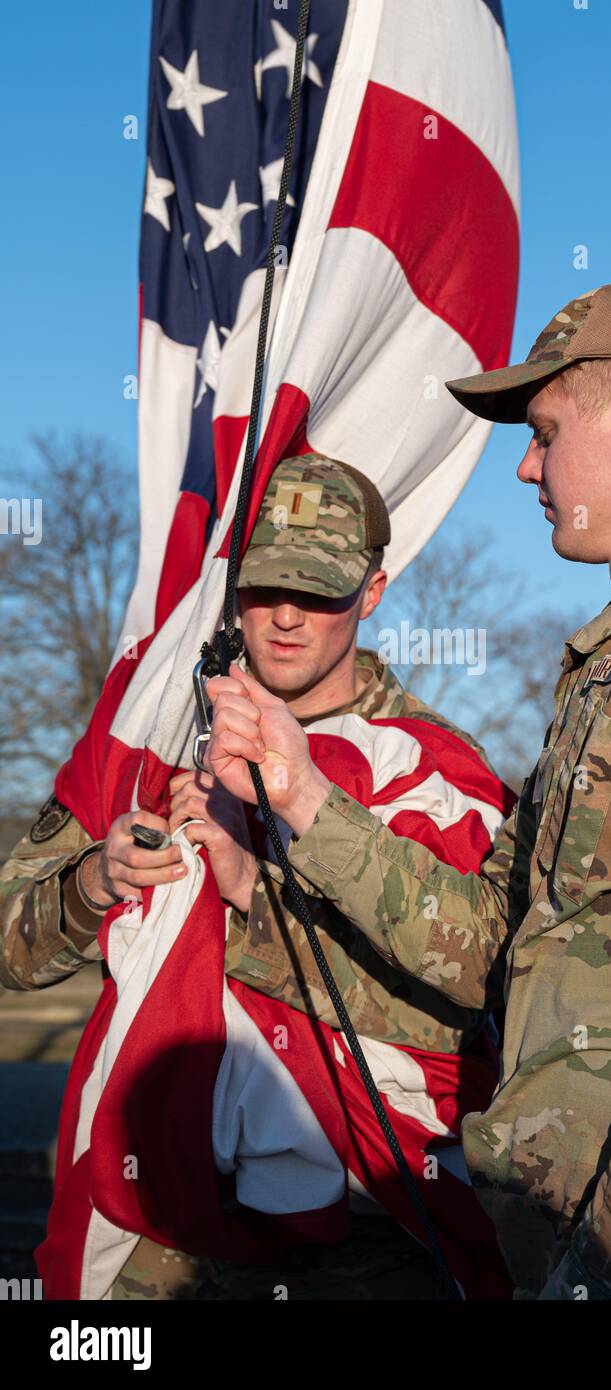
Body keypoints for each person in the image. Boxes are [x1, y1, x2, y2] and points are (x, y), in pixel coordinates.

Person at [204, 282, 611, 1301]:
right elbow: (489, 946)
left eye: (546, 432)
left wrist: (600, 1285)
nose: (526, 465)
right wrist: (302, 798)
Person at [0, 454, 514, 1300]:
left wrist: (252, 893)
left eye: (317, 593)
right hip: (153, 1232)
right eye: (264, 586)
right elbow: (12, 955)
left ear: (373, 592)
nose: (283, 617)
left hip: (364, 1238)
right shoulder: (152, 738)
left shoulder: (436, 776)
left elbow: (462, 1008)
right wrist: (92, 883)